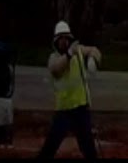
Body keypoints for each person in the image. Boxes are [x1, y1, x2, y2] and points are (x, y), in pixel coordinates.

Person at [39, 21, 101, 159]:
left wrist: (93, 59)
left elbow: (94, 50)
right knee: (51, 145)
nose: (64, 41)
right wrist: (68, 54)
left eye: (66, 38)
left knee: (88, 148)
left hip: (81, 107)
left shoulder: (77, 51)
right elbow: (56, 69)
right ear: (56, 41)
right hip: (64, 110)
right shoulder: (53, 58)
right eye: (61, 38)